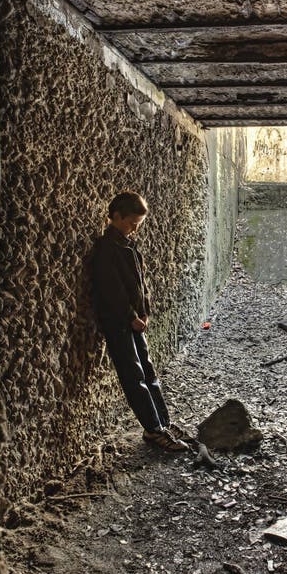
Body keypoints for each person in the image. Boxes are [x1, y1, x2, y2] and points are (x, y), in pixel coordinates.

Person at [91, 191, 186, 452]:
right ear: (116, 216)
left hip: (134, 322)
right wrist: (132, 317)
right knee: (134, 376)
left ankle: (163, 423)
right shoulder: (106, 249)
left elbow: (141, 284)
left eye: (138, 224)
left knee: (148, 370)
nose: (134, 229)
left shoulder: (127, 245)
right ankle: (153, 429)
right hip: (120, 323)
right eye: (132, 222)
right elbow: (112, 290)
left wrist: (145, 312)